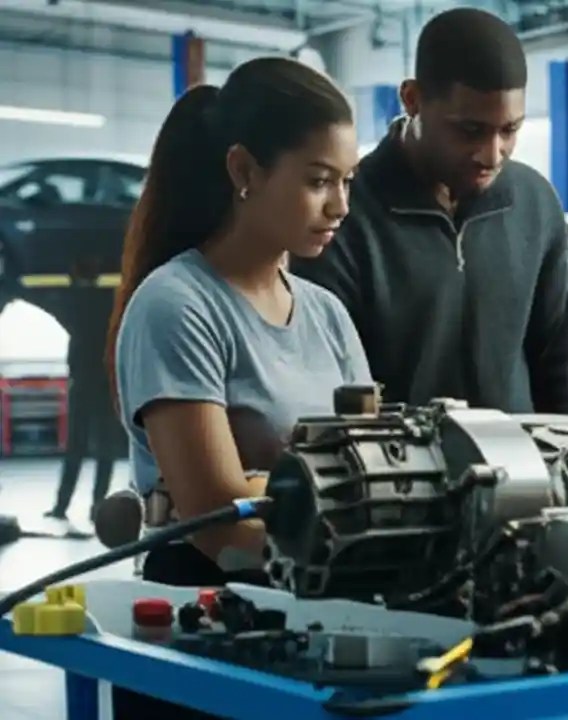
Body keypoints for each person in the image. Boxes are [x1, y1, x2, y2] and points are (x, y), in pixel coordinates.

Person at [107, 56, 370, 717]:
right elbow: (216, 522)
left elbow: (386, 478)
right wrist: (306, 495)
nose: (340, 205)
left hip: (319, 620)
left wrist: (273, 488)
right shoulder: (177, 305)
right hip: (207, 635)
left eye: (347, 181)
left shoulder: (327, 313)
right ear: (245, 171)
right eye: (318, 181)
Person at [289, 7, 568, 416]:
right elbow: (323, 385)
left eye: (509, 130)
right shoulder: (342, 215)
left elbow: (558, 360)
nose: (492, 154)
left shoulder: (535, 202)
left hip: (527, 473)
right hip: (395, 474)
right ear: (413, 99)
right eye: (470, 130)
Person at [45, 285, 122, 522]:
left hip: (83, 382)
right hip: (103, 382)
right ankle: (97, 505)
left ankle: (62, 505)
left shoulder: (77, 305)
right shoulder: (109, 304)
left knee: (76, 446)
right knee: (104, 448)